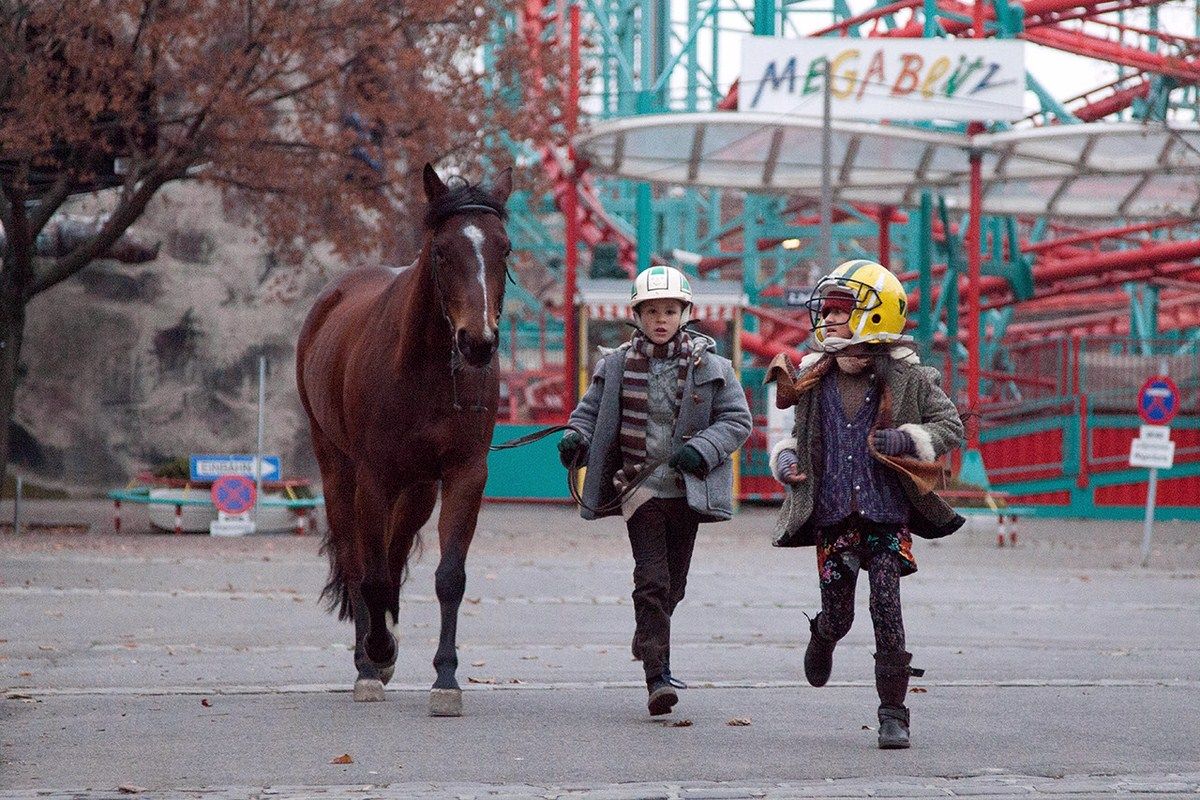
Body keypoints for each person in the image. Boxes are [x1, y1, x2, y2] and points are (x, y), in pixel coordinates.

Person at [765, 259, 965, 749]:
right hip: (833, 516)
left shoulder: (911, 378)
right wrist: (787, 461)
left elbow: (951, 427)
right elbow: (799, 438)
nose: (827, 320)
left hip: (886, 516)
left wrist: (908, 438)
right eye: (827, 311)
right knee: (842, 611)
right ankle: (824, 633)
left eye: (839, 311)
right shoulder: (814, 378)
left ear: (876, 316)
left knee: (886, 606)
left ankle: (893, 713)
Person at [559, 265, 752, 717]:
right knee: (651, 580)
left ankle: (648, 633)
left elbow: (737, 421)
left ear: (686, 313)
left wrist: (703, 449)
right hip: (638, 490)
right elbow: (586, 416)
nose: (660, 319)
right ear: (637, 316)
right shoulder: (615, 364)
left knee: (674, 586)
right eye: (651, 311)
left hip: (687, 491)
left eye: (669, 310)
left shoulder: (714, 368)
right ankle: (657, 678)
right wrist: (575, 439)